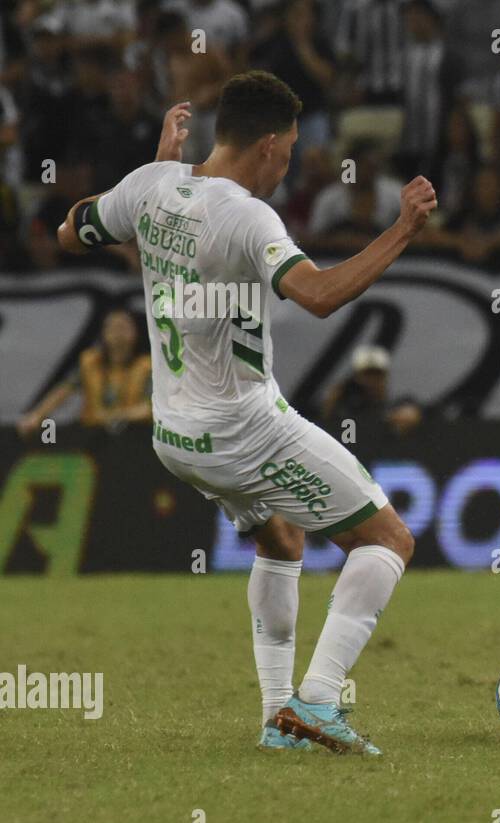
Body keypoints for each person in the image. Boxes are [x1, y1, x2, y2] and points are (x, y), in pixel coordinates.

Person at [55, 71, 439, 755]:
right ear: (267, 145)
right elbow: (318, 295)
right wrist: (402, 229)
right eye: (288, 151)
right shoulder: (246, 215)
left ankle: (276, 718)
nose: (287, 163)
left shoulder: (150, 185)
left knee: (281, 540)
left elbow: (70, 230)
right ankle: (319, 702)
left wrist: (156, 165)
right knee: (388, 540)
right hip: (243, 426)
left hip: (173, 433)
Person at [17, 309, 152, 439]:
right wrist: (37, 415)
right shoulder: (91, 363)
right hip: (92, 434)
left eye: (123, 327)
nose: (118, 334)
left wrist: (118, 416)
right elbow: (64, 391)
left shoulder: (147, 366)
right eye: (112, 328)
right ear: (103, 333)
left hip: (136, 435)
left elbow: (151, 408)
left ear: (136, 332)